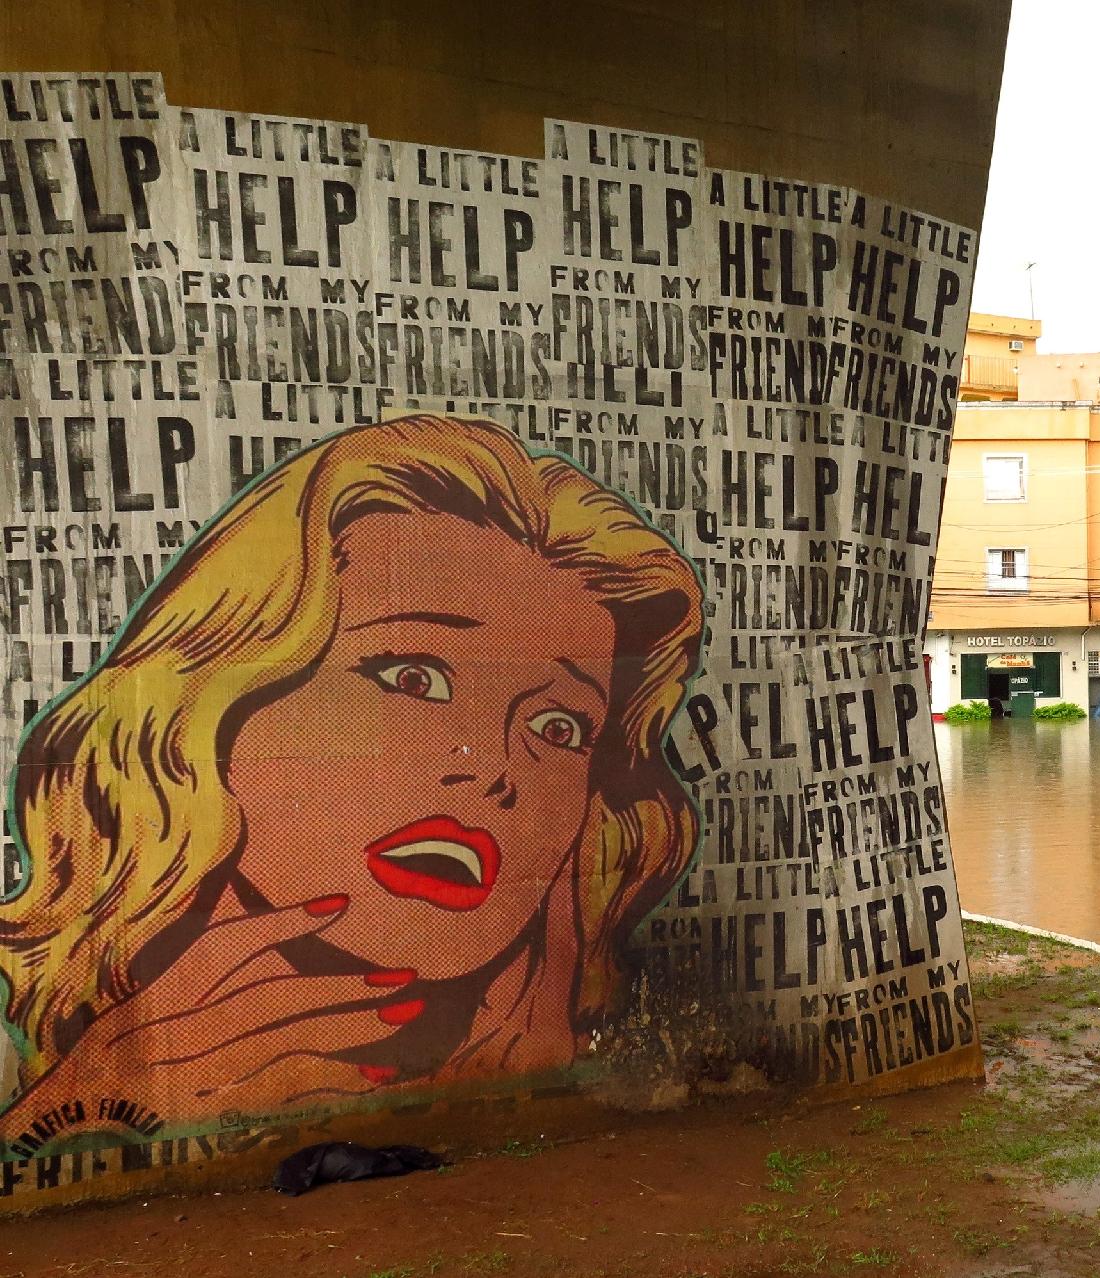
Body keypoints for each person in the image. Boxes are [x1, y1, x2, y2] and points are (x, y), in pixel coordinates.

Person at [0, 414, 704, 1138]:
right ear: (220, 707)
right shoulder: (94, 1035)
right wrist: (85, 1114)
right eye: (412, 677)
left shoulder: (564, 1048)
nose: (493, 769)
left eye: (558, 729)